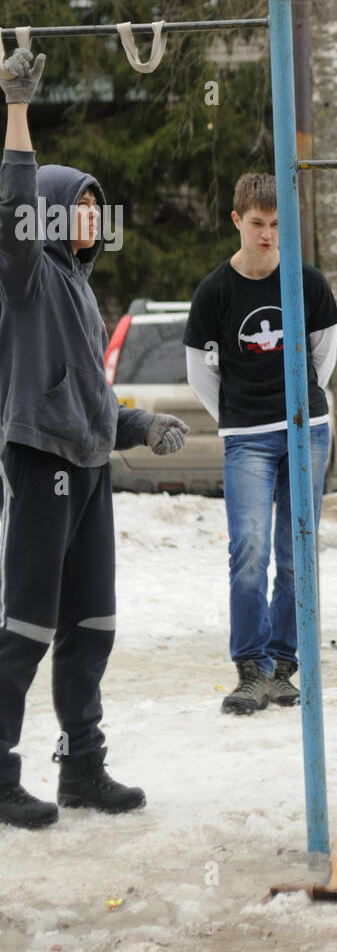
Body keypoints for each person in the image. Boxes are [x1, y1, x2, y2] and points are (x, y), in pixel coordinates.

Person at [0, 47, 189, 830]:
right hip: (38, 455)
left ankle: (82, 766)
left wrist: (138, 424)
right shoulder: (26, 274)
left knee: (93, 624)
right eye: (75, 203)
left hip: (88, 466)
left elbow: (94, 399)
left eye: (93, 206)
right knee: (26, 626)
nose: (87, 215)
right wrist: (16, 108)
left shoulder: (78, 290)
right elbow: (11, 207)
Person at [184, 174, 337, 715]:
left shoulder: (307, 282)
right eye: (258, 224)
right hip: (246, 439)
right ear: (237, 222)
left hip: (305, 432)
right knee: (248, 550)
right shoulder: (215, 292)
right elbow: (199, 371)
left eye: (277, 224)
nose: (268, 234)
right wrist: (235, 417)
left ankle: (283, 664)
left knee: (295, 553)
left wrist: (299, 409)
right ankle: (250, 668)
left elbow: (324, 356)